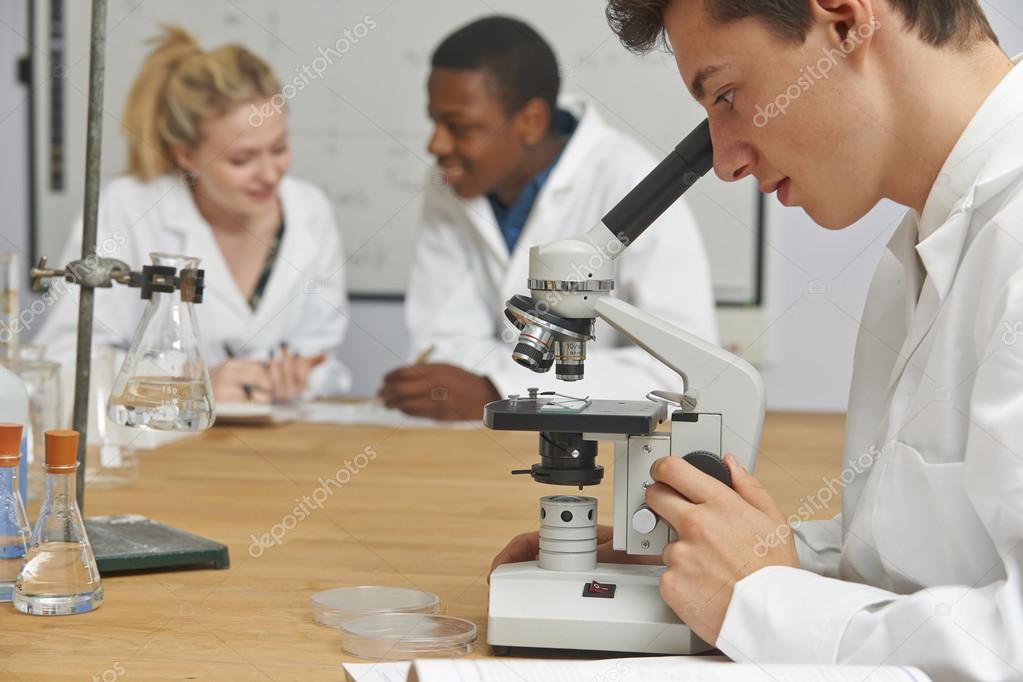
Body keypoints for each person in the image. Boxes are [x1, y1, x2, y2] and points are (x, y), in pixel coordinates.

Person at [492, 1, 1023, 679]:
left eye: (728, 96)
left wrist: (761, 598)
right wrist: (711, 555)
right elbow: (919, 569)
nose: (723, 163)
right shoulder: (926, 245)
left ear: (843, 19)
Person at [379, 16, 718, 421]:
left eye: (459, 126)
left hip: (604, 443)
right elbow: (444, 346)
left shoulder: (633, 182)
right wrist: (483, 390)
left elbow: (683, 371)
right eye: (434, 121)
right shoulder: (450, 180)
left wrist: (500, 389)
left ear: (531, 122)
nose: (436, 144)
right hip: (477, 441)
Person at [37, 26, 351, 402]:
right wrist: (183, 384)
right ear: (185, 155)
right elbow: (64, 361)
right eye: (242, 159)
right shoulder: (128, 209)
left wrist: (300, 377)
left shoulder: (309, 210)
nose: (270, 174)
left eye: (279, 148)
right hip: (160, 446)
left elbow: (324, 361)